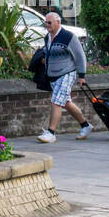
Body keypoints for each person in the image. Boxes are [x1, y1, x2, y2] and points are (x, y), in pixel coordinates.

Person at [37, 11, 92, 143]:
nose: (47, 25)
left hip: (66, 73)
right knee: (65, 102)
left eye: (49, 22)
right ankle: (85, 126)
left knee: (56, 101)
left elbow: (80, 56)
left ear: (58, 22)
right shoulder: (47, 37)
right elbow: (48, 52)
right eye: (46, 22)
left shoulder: (68, 37)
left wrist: (82, 75)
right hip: (53, 75)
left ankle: (51, 133)